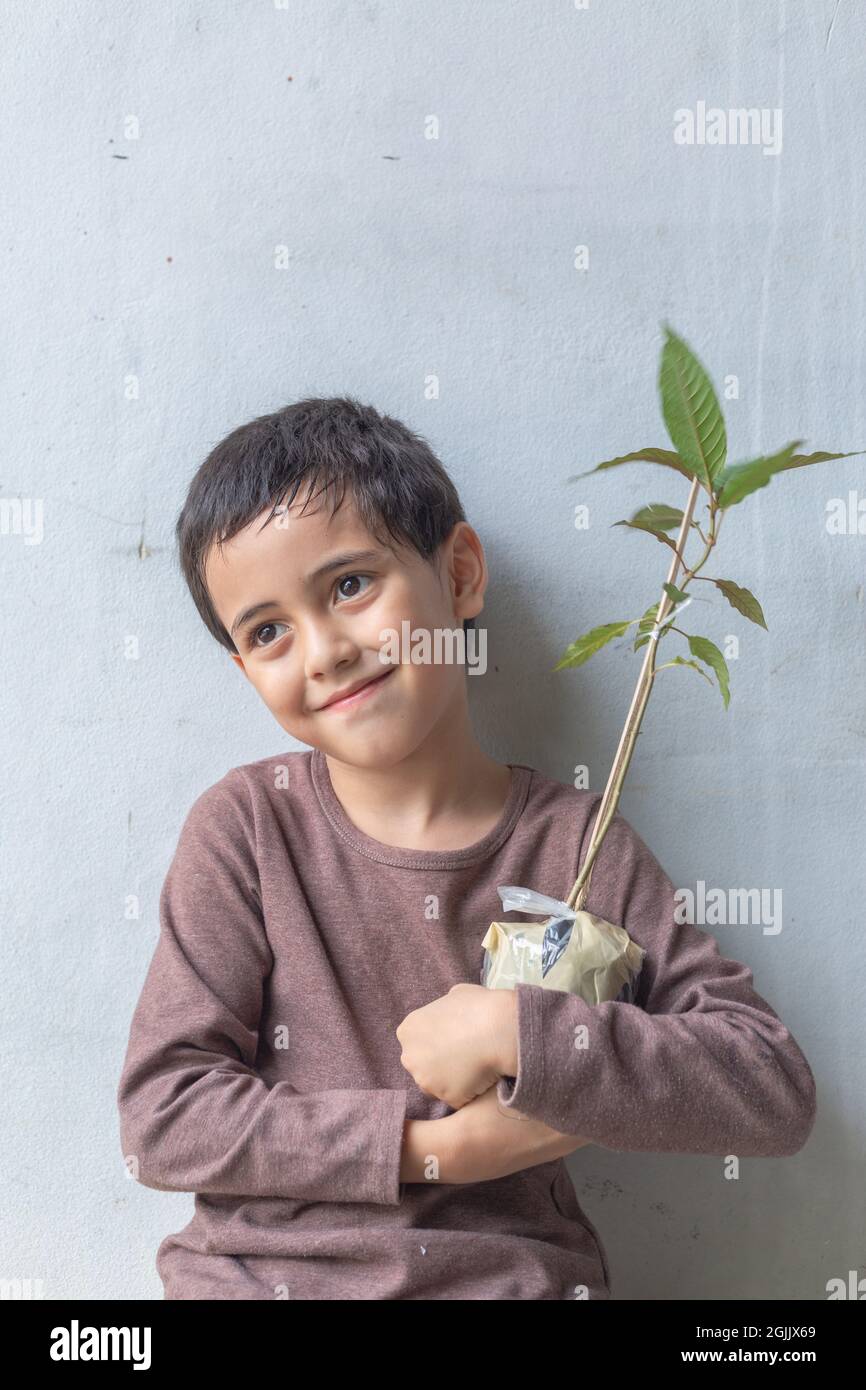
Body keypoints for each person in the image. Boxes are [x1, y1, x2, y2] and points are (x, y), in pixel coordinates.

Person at [116, 396, 817, 1300]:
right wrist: (436, 1150)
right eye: (267, 631)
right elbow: (162, 1118)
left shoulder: (578, 842)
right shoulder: (247, 828)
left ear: (460, 574)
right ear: (246, 670)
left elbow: (769, 1088)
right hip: (258, 1284)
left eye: (350, 586)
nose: (323, 650)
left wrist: (521, 1036)